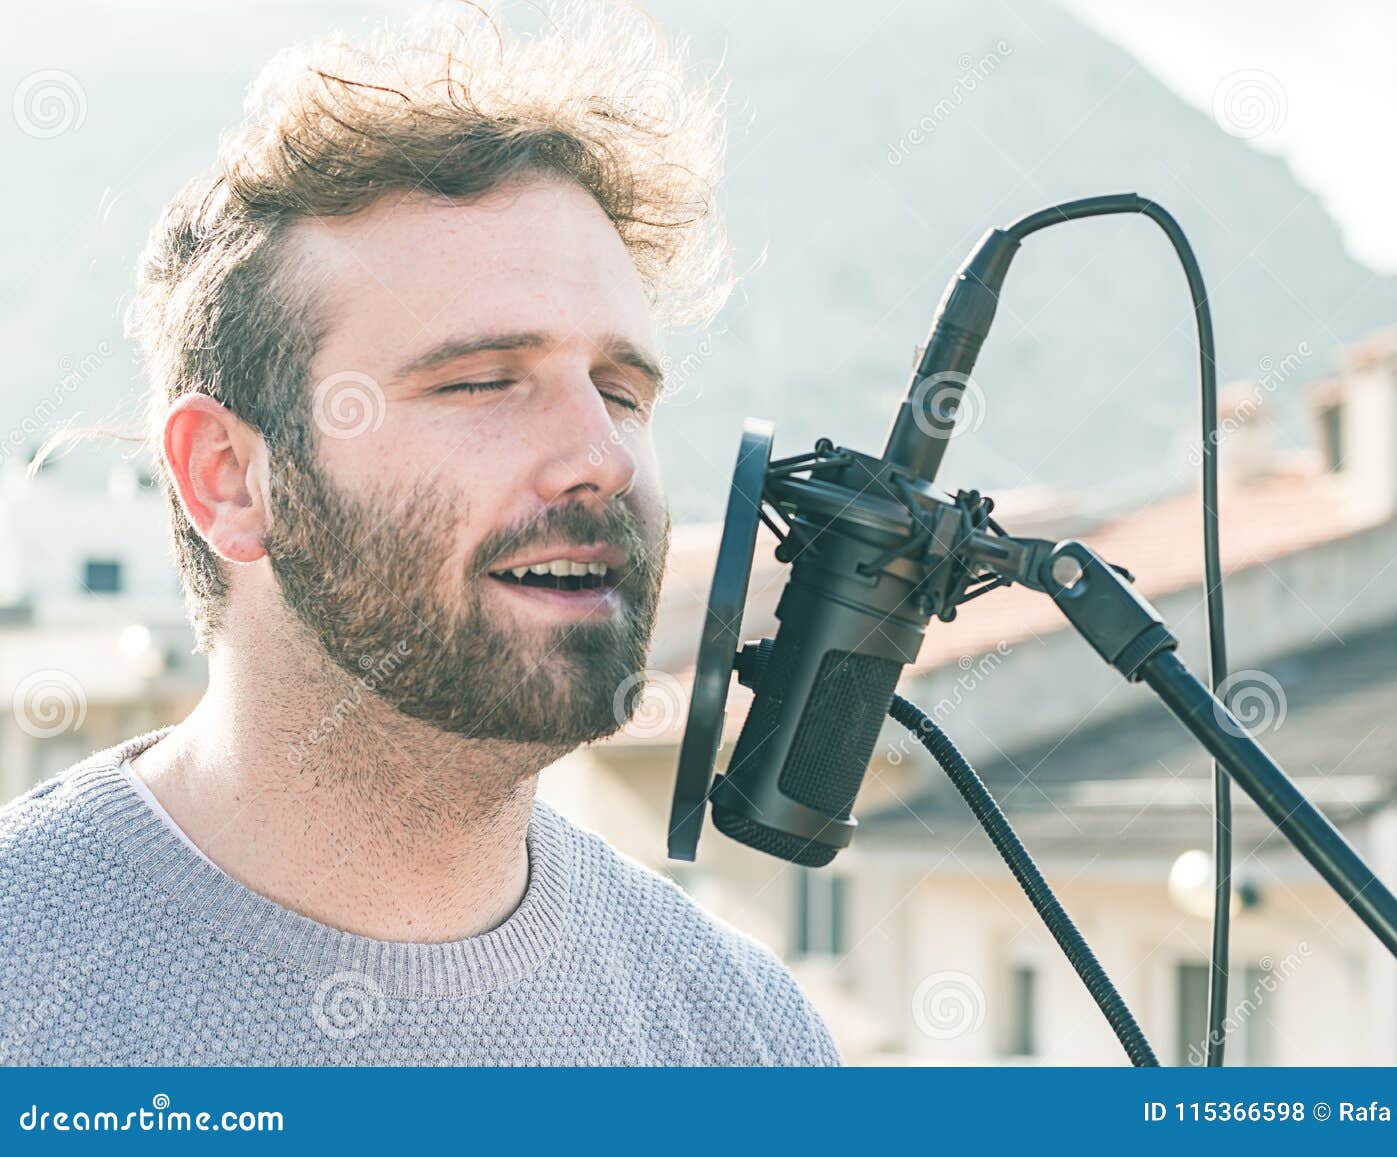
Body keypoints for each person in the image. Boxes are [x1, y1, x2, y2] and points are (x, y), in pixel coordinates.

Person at [0, 2, 840, 1067]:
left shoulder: (746, 1040)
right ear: (229, 479)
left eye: (621, 392)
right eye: (483, 379)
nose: (603, 456)